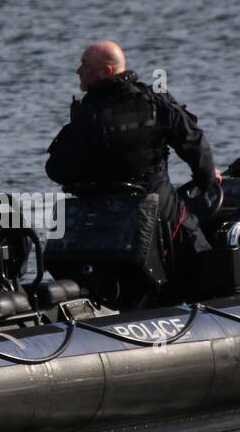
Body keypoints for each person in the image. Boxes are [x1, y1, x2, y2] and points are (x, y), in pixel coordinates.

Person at [45, 41, 217, 284]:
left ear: (106, 72)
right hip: (158, 203)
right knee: (200, 250)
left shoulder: (88, 115)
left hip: (104, 215)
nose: (78, 70)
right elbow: (193, 140)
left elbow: (56, 170)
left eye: (84, 65)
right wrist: (207, 181)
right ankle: (209, 294)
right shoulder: (154, 101)